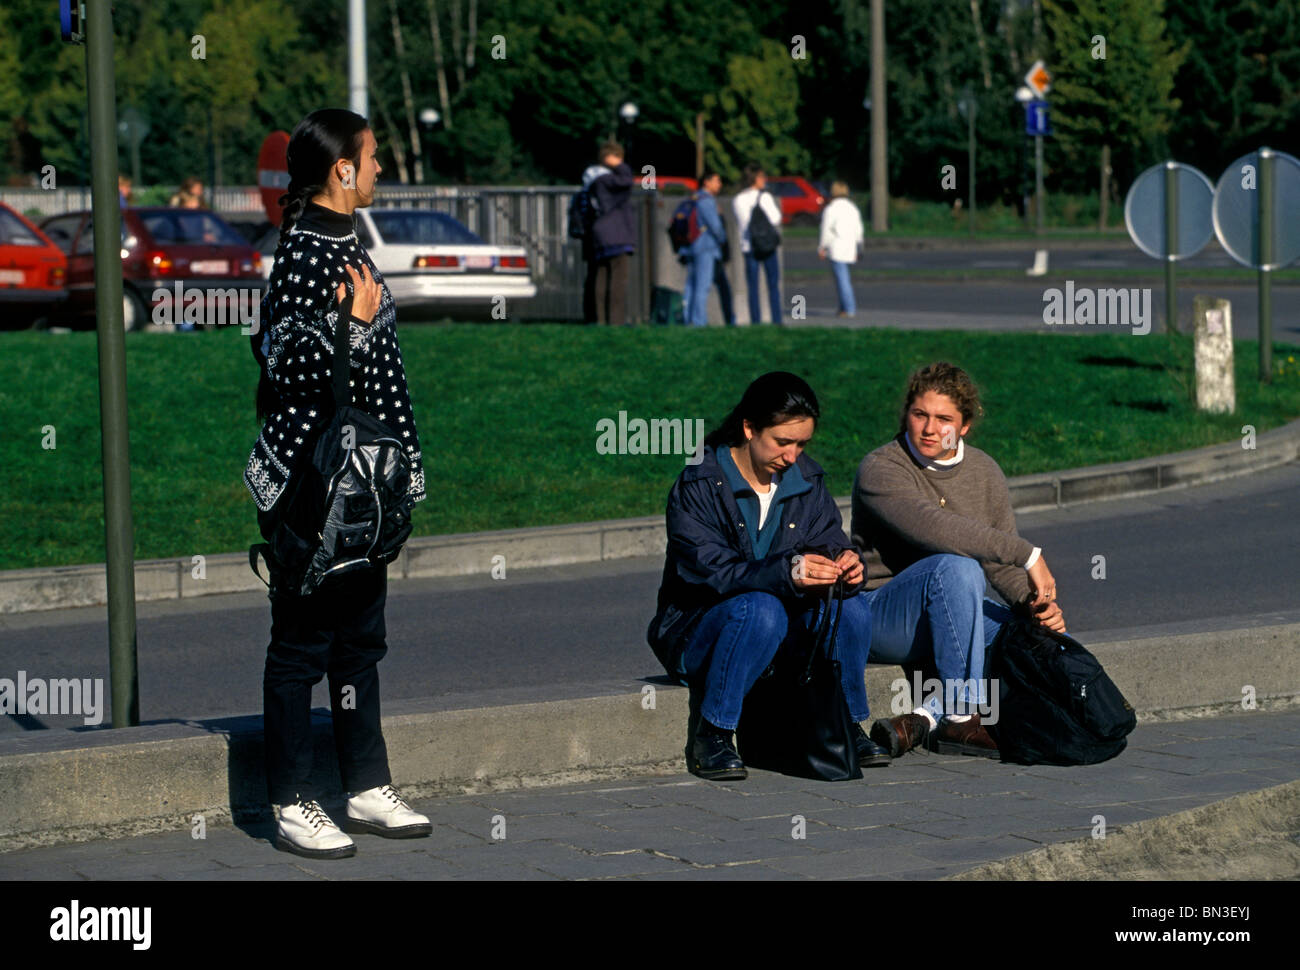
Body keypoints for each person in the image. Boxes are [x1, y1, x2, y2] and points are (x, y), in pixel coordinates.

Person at [245, 108, 431, 859]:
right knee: (300, 645)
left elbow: (379, 378)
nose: (382, 169)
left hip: (367, 481)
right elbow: (287, 372)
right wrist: (351, 331)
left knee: (359, 642)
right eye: (374, 157)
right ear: (341, 170)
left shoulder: (347, 240)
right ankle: (289, 800)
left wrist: (403, 472)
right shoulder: (301, 254)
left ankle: (364, 784)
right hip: (314, 483)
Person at [647, 371, 890, 780]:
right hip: (698, 629)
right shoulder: (700, 481)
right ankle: (715, 733)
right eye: (783, 442)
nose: (793, 455)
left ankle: (847, 723)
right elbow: (710, 573)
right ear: (748, 427)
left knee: (852, 609)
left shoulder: (806, 480)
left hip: (780, 630)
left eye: (802, 444)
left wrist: (847, 564)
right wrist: (789, 572)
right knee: (761, 609)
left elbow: (830, 540)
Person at [850, 362, 1066, 760]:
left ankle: (926, 717)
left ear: (965, 425)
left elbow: (999, 569)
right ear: (907, 415)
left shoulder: (984, 471)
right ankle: (961, 717)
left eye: (944, 419)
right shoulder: (881, 469)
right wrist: (1029, 554)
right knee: (958, 566)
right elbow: (938, 530)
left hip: (949, 607)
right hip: (881, 614)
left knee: (1033, 637)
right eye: (920, 415)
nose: (930, 429)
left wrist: (1035, 605)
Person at [587, 141, 637, 325]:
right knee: (618, 280)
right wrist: (618, 165)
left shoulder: (593, 179)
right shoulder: (607, 180)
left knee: (601, 276)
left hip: (600, 233)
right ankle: (615, 321)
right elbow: (626, 181)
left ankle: (600, 319)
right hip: (616, 234)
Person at [732, 163, 783, 324]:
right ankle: (776, 320)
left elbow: (741, 223)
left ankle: (756, 320)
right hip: (767, 245)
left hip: (749, 245)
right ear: (756, 179)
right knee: (773, 285)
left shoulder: (738, 199)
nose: (765, 179)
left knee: (752, 287)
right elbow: (776, 218)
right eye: (762, 176)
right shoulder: (765, 197)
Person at [682, 171, 725, 327]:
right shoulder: (707, 201)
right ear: (706, 182)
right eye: (716, 180)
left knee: (691, 285)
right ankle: (699, 322)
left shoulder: (694, 198)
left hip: (691, 246)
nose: (719, 184)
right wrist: (722, 240)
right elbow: (715, 226)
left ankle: (687, 318)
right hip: (705, 247)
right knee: (702, 286)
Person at [817, 181, 863, 317]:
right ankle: (843, 308)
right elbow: (858, 229)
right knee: (843, 278)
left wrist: (822, 247)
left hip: (836, 247)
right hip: (850, 246)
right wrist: (858, 247)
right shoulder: (853, 208)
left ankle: (849, 309)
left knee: (842, 279)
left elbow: (826, 230)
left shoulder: (831, 209)